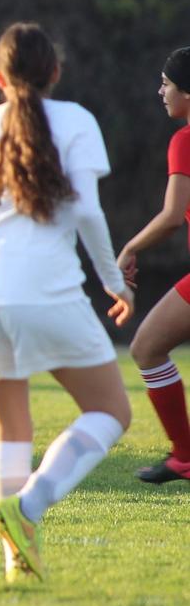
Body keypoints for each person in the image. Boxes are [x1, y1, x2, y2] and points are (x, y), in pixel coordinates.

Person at [0, 22, 133, 583]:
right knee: (112, 412)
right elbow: (88, 211)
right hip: (46, 293)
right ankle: (28, 508)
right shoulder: (76, 120)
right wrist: (114, 281)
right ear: (55, 73)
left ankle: (16, 565)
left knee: (9, 432)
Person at [115, 46, 190, 484]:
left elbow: (171, 216)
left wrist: (130, 248)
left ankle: (185, 455)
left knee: (146, 347)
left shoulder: (185, 140)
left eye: (167, 84)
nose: (161, 92)